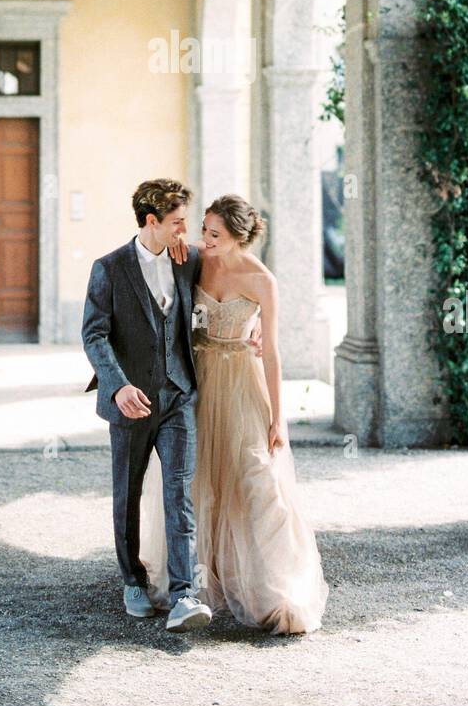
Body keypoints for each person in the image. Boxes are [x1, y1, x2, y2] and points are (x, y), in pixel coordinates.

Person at [139, 194, 329, 634]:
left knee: (256, 475)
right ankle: (200, 581)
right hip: (199, 381)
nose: (205, 238)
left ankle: (275, 587)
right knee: (200, 476)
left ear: (239, 236)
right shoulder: (192, 261)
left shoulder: (262, 281)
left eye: (215, 233)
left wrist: (278, 418)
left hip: (243, 381)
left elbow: (274, 352)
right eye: (203, 229)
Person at [80, 178, 262, 632]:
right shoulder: (109, 268)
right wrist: (118, 386)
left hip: (180, 395)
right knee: (128, 491)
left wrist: (254, 325)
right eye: (178, 223)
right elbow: (94, 334)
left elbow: (234, 280)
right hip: (130, 401)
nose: (188, 232)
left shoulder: (190, 261)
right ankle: (132, 580)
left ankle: (184, 594)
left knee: (180, 491)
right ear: (151, 221)